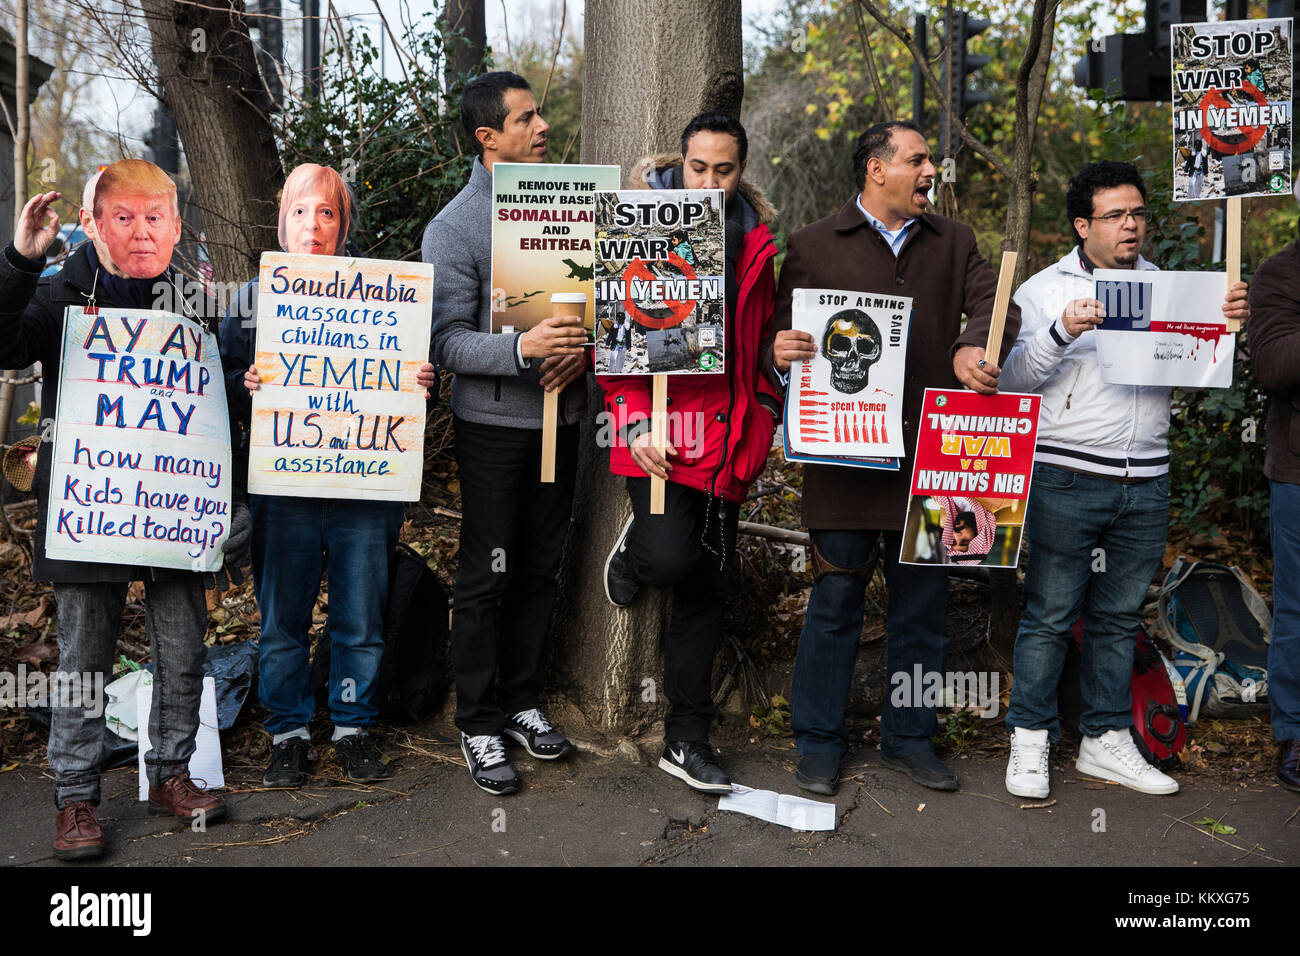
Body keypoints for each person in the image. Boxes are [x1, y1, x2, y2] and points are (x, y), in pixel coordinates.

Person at [763, 120, 1018, 795]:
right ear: (878, 169)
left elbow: (998, 306)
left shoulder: (956, 242)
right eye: (919, 159)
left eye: (930, 160)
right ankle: (819, 742)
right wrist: (779, 351)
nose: (932, 169)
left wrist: (971, 344)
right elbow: (774, 336)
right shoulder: (814, 245)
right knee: (836, 599)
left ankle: (910, 738)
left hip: (934, 465)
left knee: (921, 608)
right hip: (845, 463)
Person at [0, 161, 232, 860]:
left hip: (175, 509)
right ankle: (75, 799)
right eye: (122, 217)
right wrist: (18, 260)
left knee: (182, 647)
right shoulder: (57, 294)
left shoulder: (197, 301)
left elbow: (230, 407)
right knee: (84, 655)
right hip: (89, 509)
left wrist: (233, 504)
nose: (139, 231)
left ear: (175, 226)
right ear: (95, 224)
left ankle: (170, 774)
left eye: (153, 217)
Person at [1000, 161, 1249, 798]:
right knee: (1051, 614)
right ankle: (1029, 740)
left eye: (1137, 212)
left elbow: (1201, 366)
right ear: (1083, 225)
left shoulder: (1171, 287)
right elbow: (1012, 381)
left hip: (1148, 477)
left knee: (1116, 618)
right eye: (1114, 215)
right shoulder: (1043, 289)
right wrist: (1062, 332)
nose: (1131, 224)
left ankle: (1104, 739)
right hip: (1067, 473)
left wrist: (1224, 328)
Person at [600, 112, 781, 792]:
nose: (710, 181)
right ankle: (638, 548)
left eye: (725, 170)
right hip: (662, 434)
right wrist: (634, 420)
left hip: (730, 437)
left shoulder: (757, 240)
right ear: (681, 160)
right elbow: (613, 348)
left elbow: (761, 341)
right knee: (671, 559)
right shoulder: (640, 223)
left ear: (741, 170)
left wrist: (764, 408)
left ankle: (687, 739)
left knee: (709, 586)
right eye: (699, 167)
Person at [422, 71, 586, 795]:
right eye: (526, 118)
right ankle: (479, 722)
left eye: (540, 112)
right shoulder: (454, 227)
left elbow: (605, 310)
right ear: (489, 138)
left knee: (542, 568)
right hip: (493, 429)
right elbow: (446, 343)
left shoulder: (577, 206)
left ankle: (521, 700)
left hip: (567, 419)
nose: (542, 125)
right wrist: (523, 351)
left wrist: (581, 352)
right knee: (487, 573)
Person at [220, 163, 407, 787]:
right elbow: (214, 389)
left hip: (365, 486)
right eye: (301, 211)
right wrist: (243, 388)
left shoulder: (387, 295)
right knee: (281, 622)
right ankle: (288, 732)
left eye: (326, 212)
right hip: (284, 488)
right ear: (282, 221)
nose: (313, 224)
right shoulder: (252, 299)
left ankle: (353, 727)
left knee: (360, 618)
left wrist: (420, 381)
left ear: (344, 223)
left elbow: (400, 378)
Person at [1243, 182, 1300, 792]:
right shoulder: (1280, 274)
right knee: (1298, 610)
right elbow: (1275, 365)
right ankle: (1294, 734)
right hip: (1299, 475)